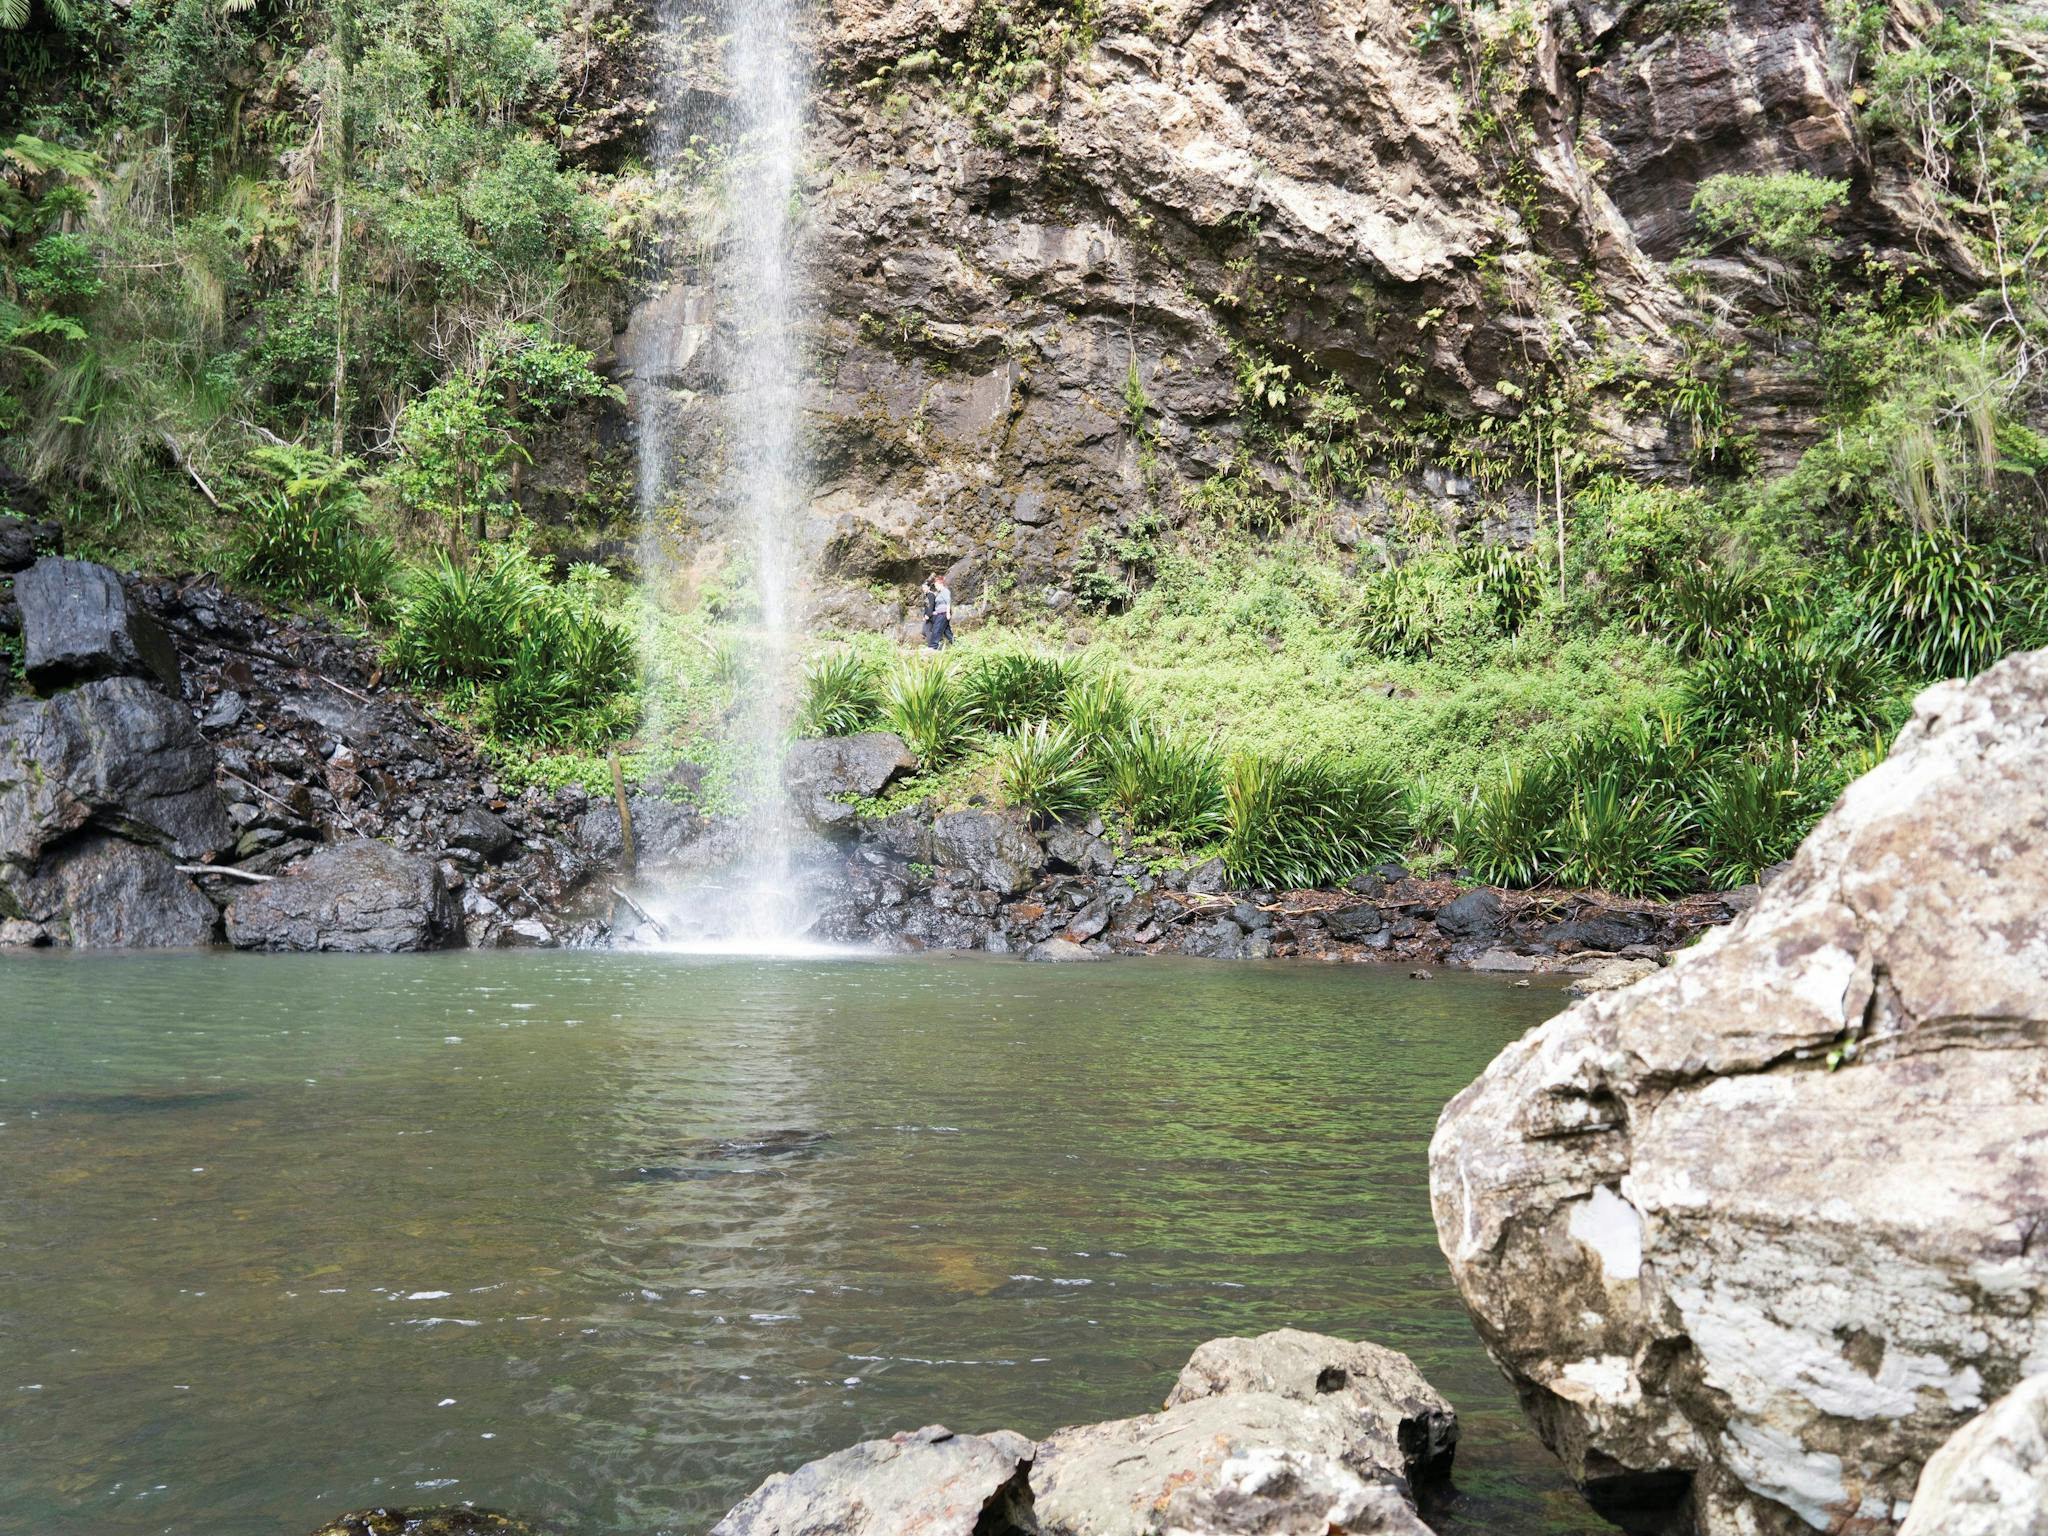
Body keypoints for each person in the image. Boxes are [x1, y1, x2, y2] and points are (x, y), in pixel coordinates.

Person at [921, 571, 954, 649]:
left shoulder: (945, 591)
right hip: (939, 613)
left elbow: (948, 602)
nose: (935, 587)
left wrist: (948, 613)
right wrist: (935, 612)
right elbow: (937, 605)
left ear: (940, 584)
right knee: (947, 631)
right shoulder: (939, 593)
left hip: (944, 613)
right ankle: (956, 644)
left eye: (936, 585)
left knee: (937, 629)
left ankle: (933, 646)